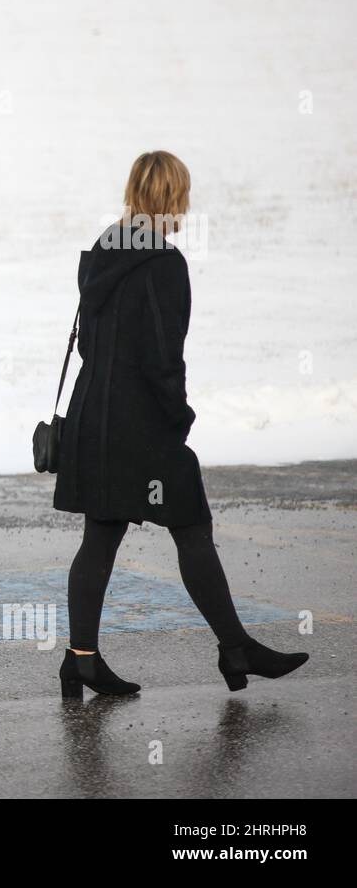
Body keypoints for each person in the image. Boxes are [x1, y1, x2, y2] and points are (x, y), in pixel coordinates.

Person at [53, 151, 308, 697]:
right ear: (174, 198)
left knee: (99, 537)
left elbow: (96, 346)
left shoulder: (104, 249)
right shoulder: (164, 262)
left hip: (92, 416)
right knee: (192, 529)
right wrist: (178, 417)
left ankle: (82, 659)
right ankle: (234, 648)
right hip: (141, 424)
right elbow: (164, 358)